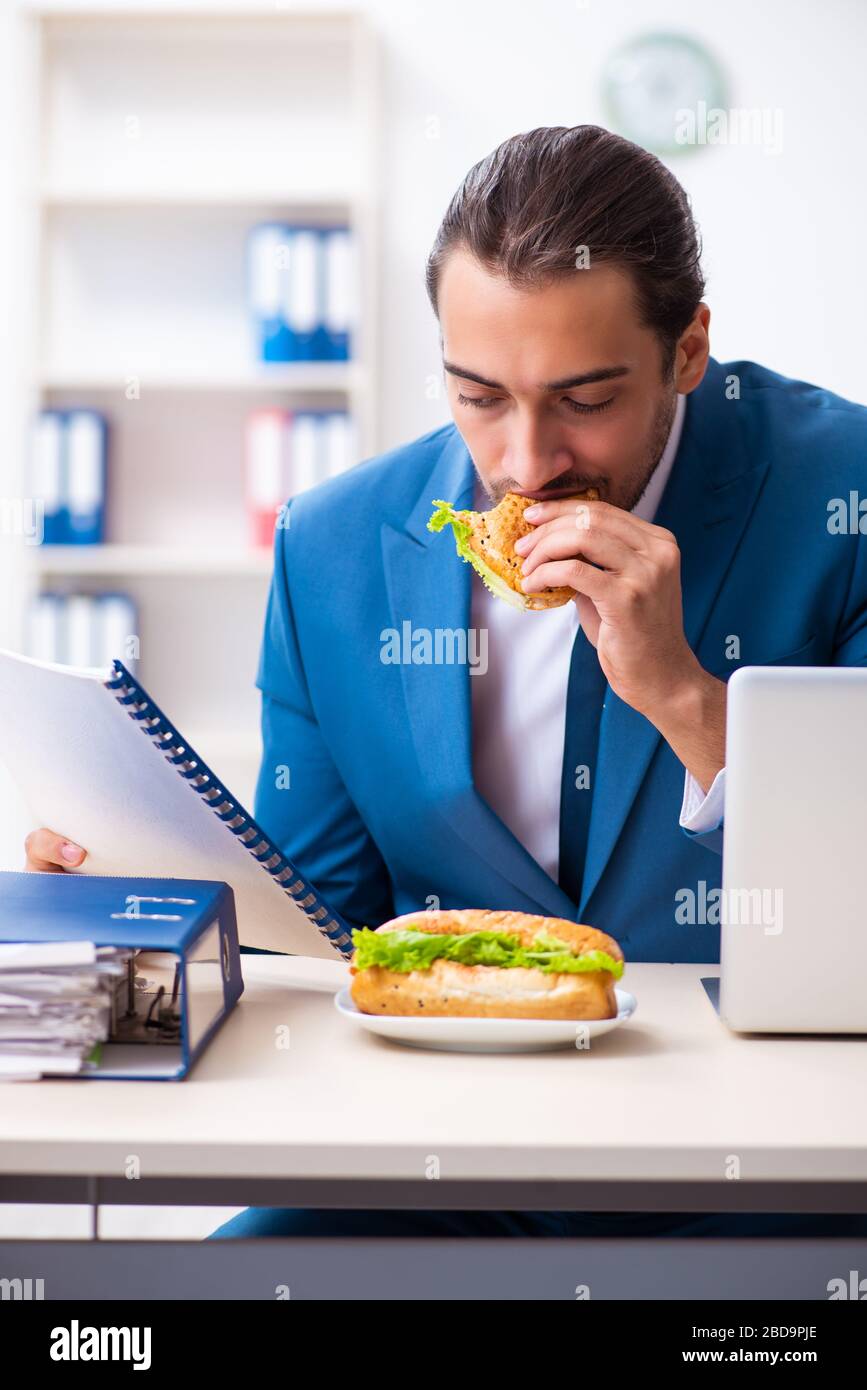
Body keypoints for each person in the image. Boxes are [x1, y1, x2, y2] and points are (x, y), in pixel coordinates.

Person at [26, 125, 867, 1241]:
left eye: (585, 397)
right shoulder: (333, 547)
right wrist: (138, 896)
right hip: (432, 1164)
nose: (525, 461)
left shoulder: (838, 495)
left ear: (688, 349)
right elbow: (311, 938)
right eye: (479, 396)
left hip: (766, 1162)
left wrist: (683, 695)